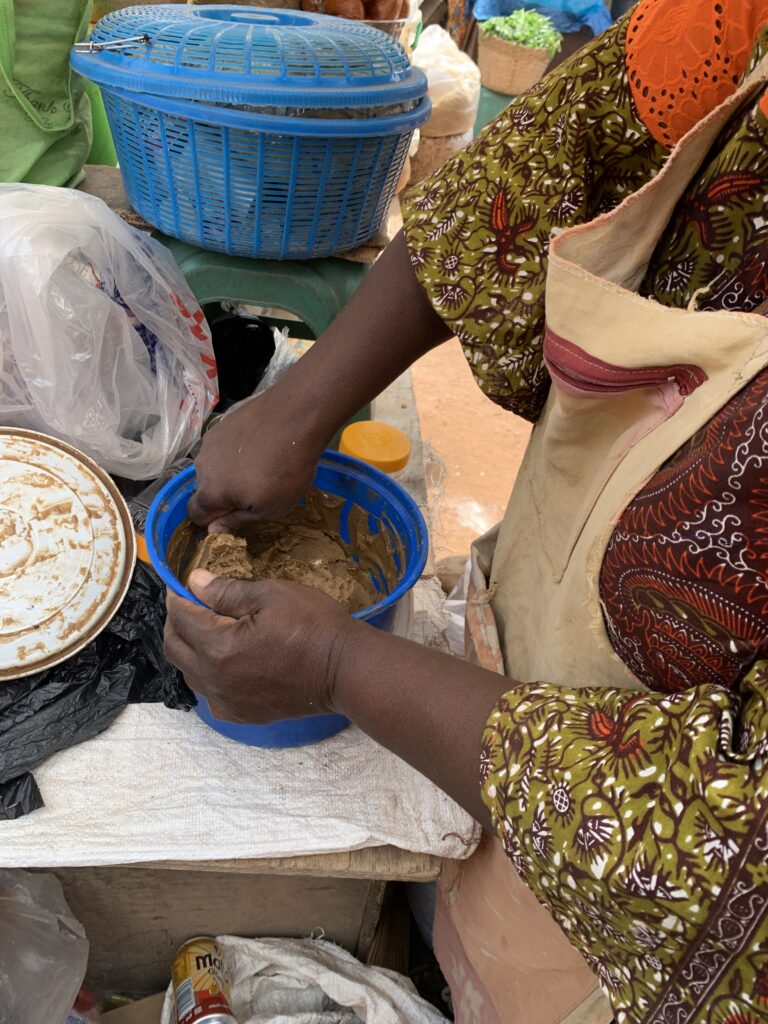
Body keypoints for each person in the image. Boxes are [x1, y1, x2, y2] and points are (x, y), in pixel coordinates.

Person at [165, 2, 768, 1021]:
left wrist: (336, 664)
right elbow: (543, 158)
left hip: (643, 928)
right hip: (530, 649)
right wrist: (302, 404)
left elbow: (727, 842)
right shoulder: (729, 25)